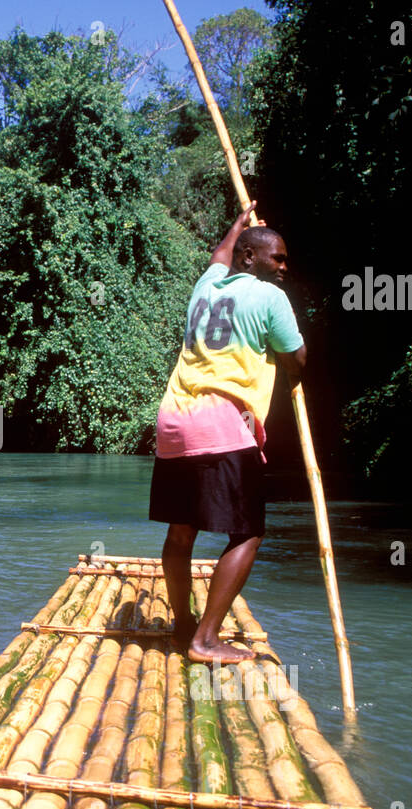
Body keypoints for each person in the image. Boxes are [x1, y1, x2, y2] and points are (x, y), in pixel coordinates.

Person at [151, 202, 307, 664]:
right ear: (249, 259)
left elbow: (219, 254)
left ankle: (183, 628)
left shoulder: (205, 286)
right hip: (222, 425)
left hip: (173, 422)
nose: (283, 267)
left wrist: (239, 222)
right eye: (276, 258)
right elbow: (297, 359)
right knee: (247, 532)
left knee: (182, 532)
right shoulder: (270, 298)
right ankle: (204, 639)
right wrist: (286, 376)